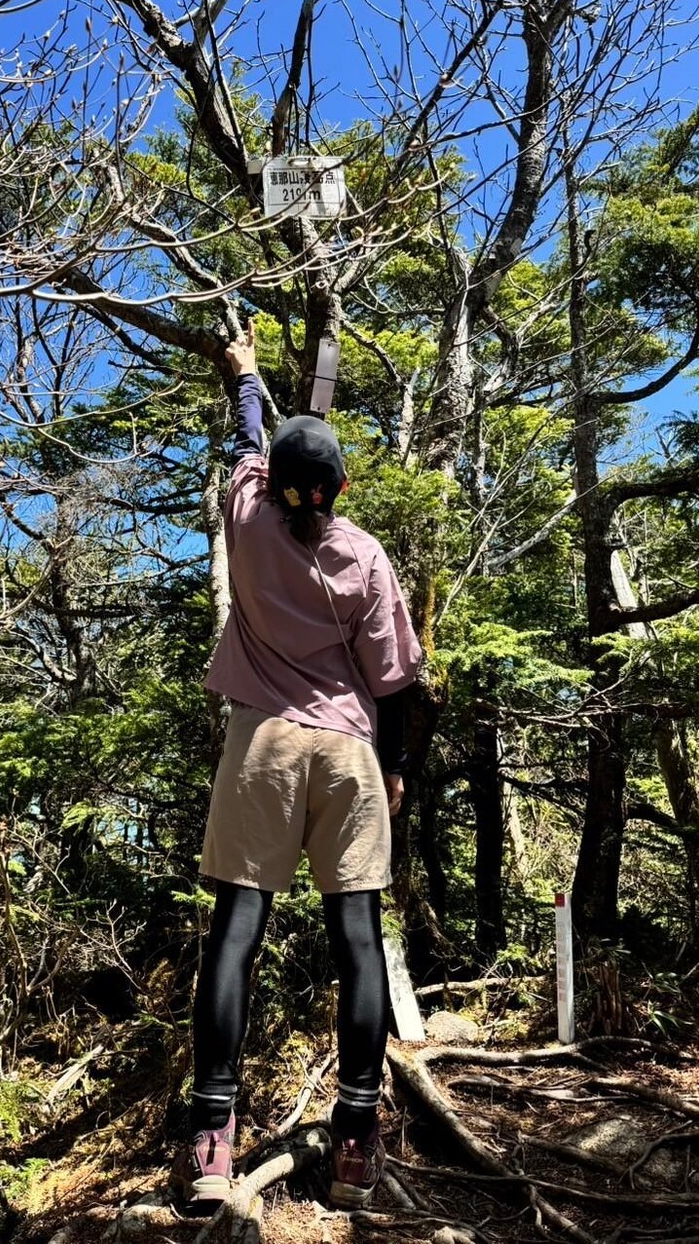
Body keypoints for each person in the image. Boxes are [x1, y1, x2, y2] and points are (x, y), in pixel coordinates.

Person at [172, 319, 422, 1210]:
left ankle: (211, 1142)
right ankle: (356, 1143)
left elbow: (247, 435)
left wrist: (242, 370)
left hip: (264, 744)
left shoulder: (246, 516)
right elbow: (395, 679)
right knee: (356, 937)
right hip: (350, 751)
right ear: (342, 488)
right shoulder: (364, 555)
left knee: (236, 929)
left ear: (275, 487)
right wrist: (391, 770)